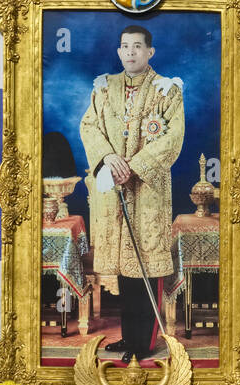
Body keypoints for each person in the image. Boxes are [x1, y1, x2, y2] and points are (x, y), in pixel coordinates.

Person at [80, 23, 185, 362]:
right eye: (125, 46)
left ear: (149, 52)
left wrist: (134, 166)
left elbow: (172, 139)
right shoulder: (104, 88)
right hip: (116, 187)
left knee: (145, 266)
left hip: (148, 190)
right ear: (118, 51)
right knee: (125, 270)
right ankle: (129, 338)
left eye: (137, 46)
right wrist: (108, 159)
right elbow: (89, 126)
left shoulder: (167, 90)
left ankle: (145, 342)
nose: (130, 52)